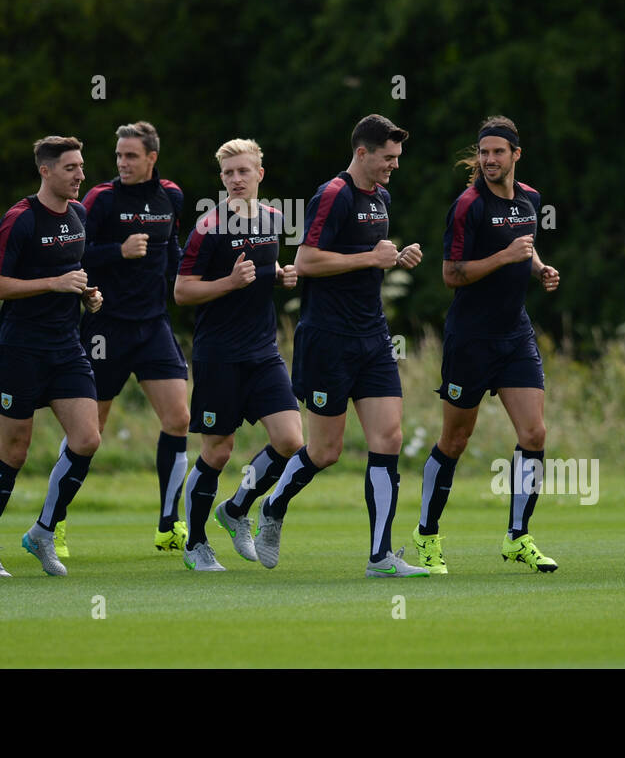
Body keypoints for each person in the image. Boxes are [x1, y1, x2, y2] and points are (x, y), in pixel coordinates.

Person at [255, 114, 427, 578]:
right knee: (325, 450)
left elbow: (366, 256)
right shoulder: (333, 194)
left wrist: (394, 256)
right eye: (387, 158)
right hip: (328, 338)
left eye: (397, 158)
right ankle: (272, 506)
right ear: (362, 152)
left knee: (388, 439)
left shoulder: (382, 198)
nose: (394, 167)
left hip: (373, 337)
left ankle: (380, 557)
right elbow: (305, 261)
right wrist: (371, 257)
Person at [414, 116, 562, 575]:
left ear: (516, 154)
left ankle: (518, 537)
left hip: (515, 334)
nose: (490, 160)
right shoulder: (467, 205)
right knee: (455, 440)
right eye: (484, 153)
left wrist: (538, 268)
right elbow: (450, 275)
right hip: (471, 339)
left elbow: (525, 246)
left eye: (499, 152)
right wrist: (505, 257)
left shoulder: (530, 199)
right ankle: (426, 538)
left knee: (534, 435)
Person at [0, 136, 103, 578]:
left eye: (81, 166)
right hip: (21, 350)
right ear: (45, 171)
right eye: (70, 168)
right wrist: (54, 283)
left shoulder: (80, 216)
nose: (80, 174)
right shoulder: (19, 219)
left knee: (87, 439)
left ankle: (43, 531)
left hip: (66, 347)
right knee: (15, 449)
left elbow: (71, 279)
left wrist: (87, 295)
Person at [173, 139, 303, 571]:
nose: (236, 179)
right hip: (218, 354)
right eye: (228, 173)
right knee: (218, 451)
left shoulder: (274, 219)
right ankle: (195, 543)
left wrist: (280, 275)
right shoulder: (209, 227)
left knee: (290, 440)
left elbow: (262, 272)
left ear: (259, 174)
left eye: (243, 171)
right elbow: (182, 290)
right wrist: (228, 282)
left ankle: (236, 507)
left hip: (263, 351)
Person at [74, 121, 189, 555]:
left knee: (178, 419)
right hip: (107, 326)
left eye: (131, 156)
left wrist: (186, 283)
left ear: (151, 158)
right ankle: (54, 524)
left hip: (154, 324)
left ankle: (168, 523)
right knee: (92, 431)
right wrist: (116, 252)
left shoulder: (171, 196)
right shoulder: (100, 199)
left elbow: (172, 249)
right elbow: (75, 252)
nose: (122, 162)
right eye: (119, 155)